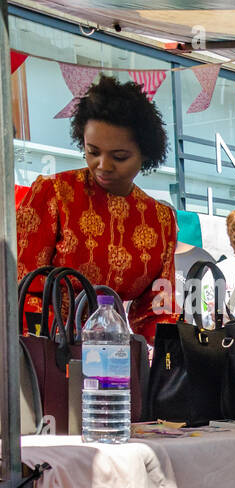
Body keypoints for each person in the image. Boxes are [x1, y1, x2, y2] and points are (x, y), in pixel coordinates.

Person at [17, 75, 176, 342]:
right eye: (93, 152)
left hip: (115, 356)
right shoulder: (54, 194)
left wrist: (166, 357)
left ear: (146, 154)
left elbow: (156, 311)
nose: (103, 165)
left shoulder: (160, 219)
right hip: (46, 351)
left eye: (119, 157)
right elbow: (22, 286)